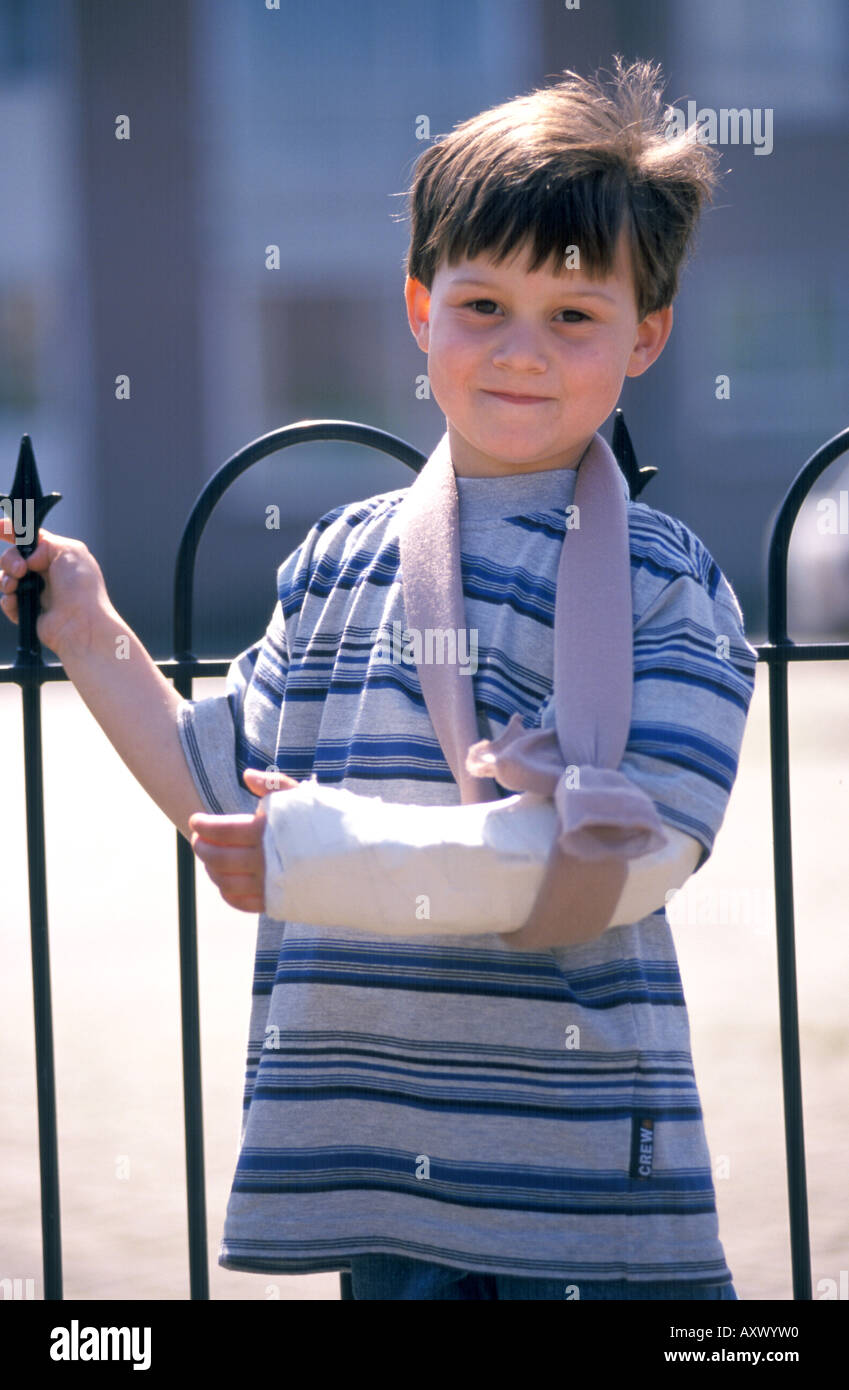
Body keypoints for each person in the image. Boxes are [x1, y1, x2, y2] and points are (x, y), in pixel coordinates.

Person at [0, 56, 759, 1300]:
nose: (523, 350)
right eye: (482, 306)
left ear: (649, 336)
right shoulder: (338, 563)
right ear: (419, 309)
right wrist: (85, 628)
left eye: (574, 314)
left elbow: (632, 859)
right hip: (380, 1187)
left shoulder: (669, 585)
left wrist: (329, 853)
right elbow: (213, 770)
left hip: (582, 1199)